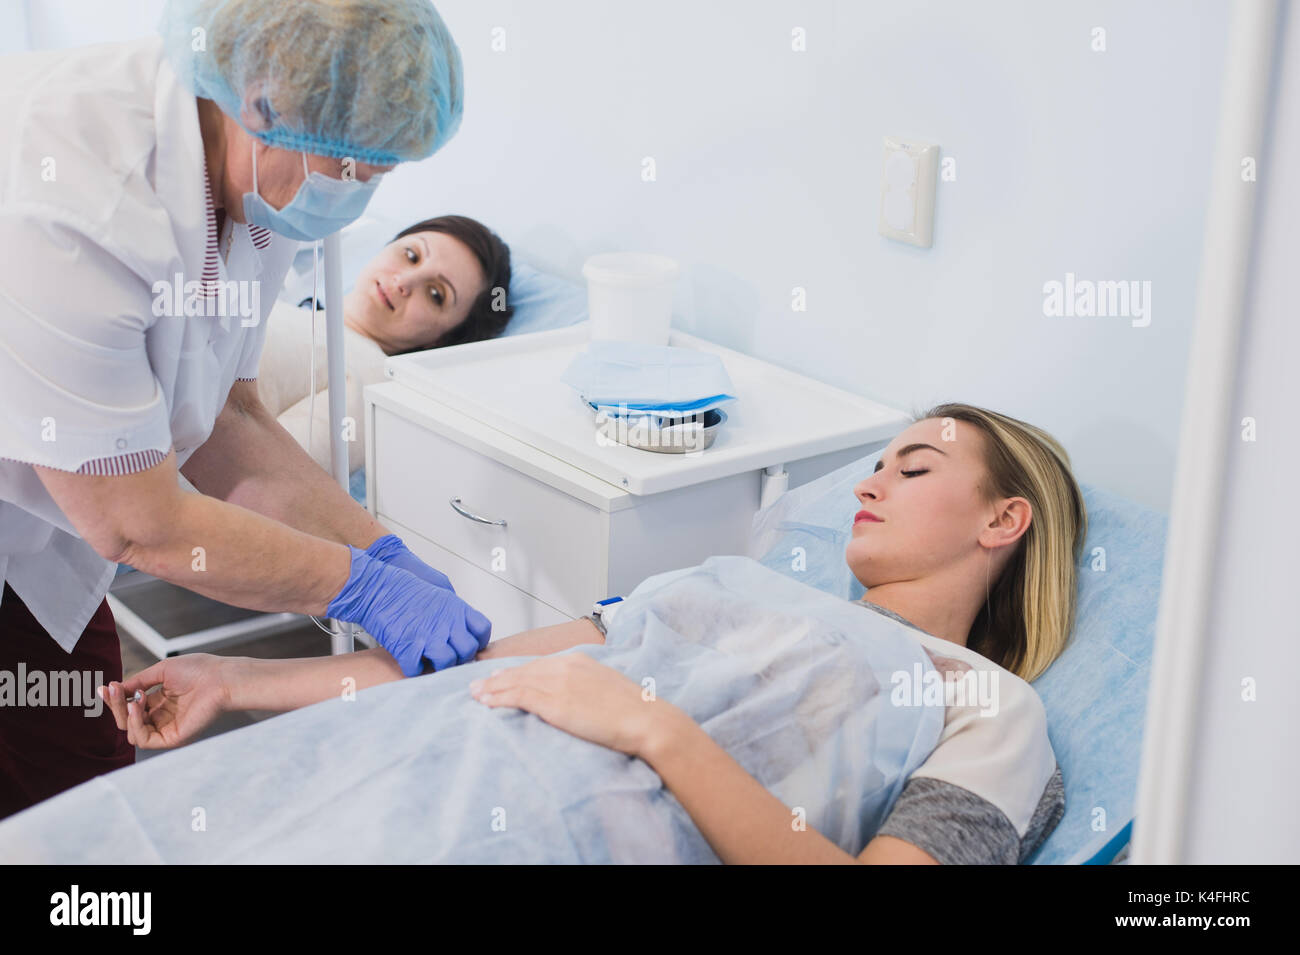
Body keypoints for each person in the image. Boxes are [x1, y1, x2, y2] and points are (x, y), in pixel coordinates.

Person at [102, 403, 1086, 864]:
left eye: (912, 469)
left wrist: (652, 727)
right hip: (412, 772)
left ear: (1003, 520)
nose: (869, 483)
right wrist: (232, 682)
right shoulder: (725, 579)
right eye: (876, 461)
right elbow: (474, 671)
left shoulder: (987, 703)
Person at [0, 0, 490, 821]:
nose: (365, 189)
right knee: (56, 821)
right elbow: (140, 523)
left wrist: (379, 547)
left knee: (83, 776)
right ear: (262, 103)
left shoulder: (264, 179)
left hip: (43, 526)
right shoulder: (71, 196)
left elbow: (227, 415)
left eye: (381, 170)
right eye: (356, 165)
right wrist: (361, 589)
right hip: (87, 501)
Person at [257, 215, 514, 473]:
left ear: (441, 339)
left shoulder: (373, 382)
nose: (403, 282)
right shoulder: (280, 301)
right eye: (411, 256)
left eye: (436, 294)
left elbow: (268, 475)